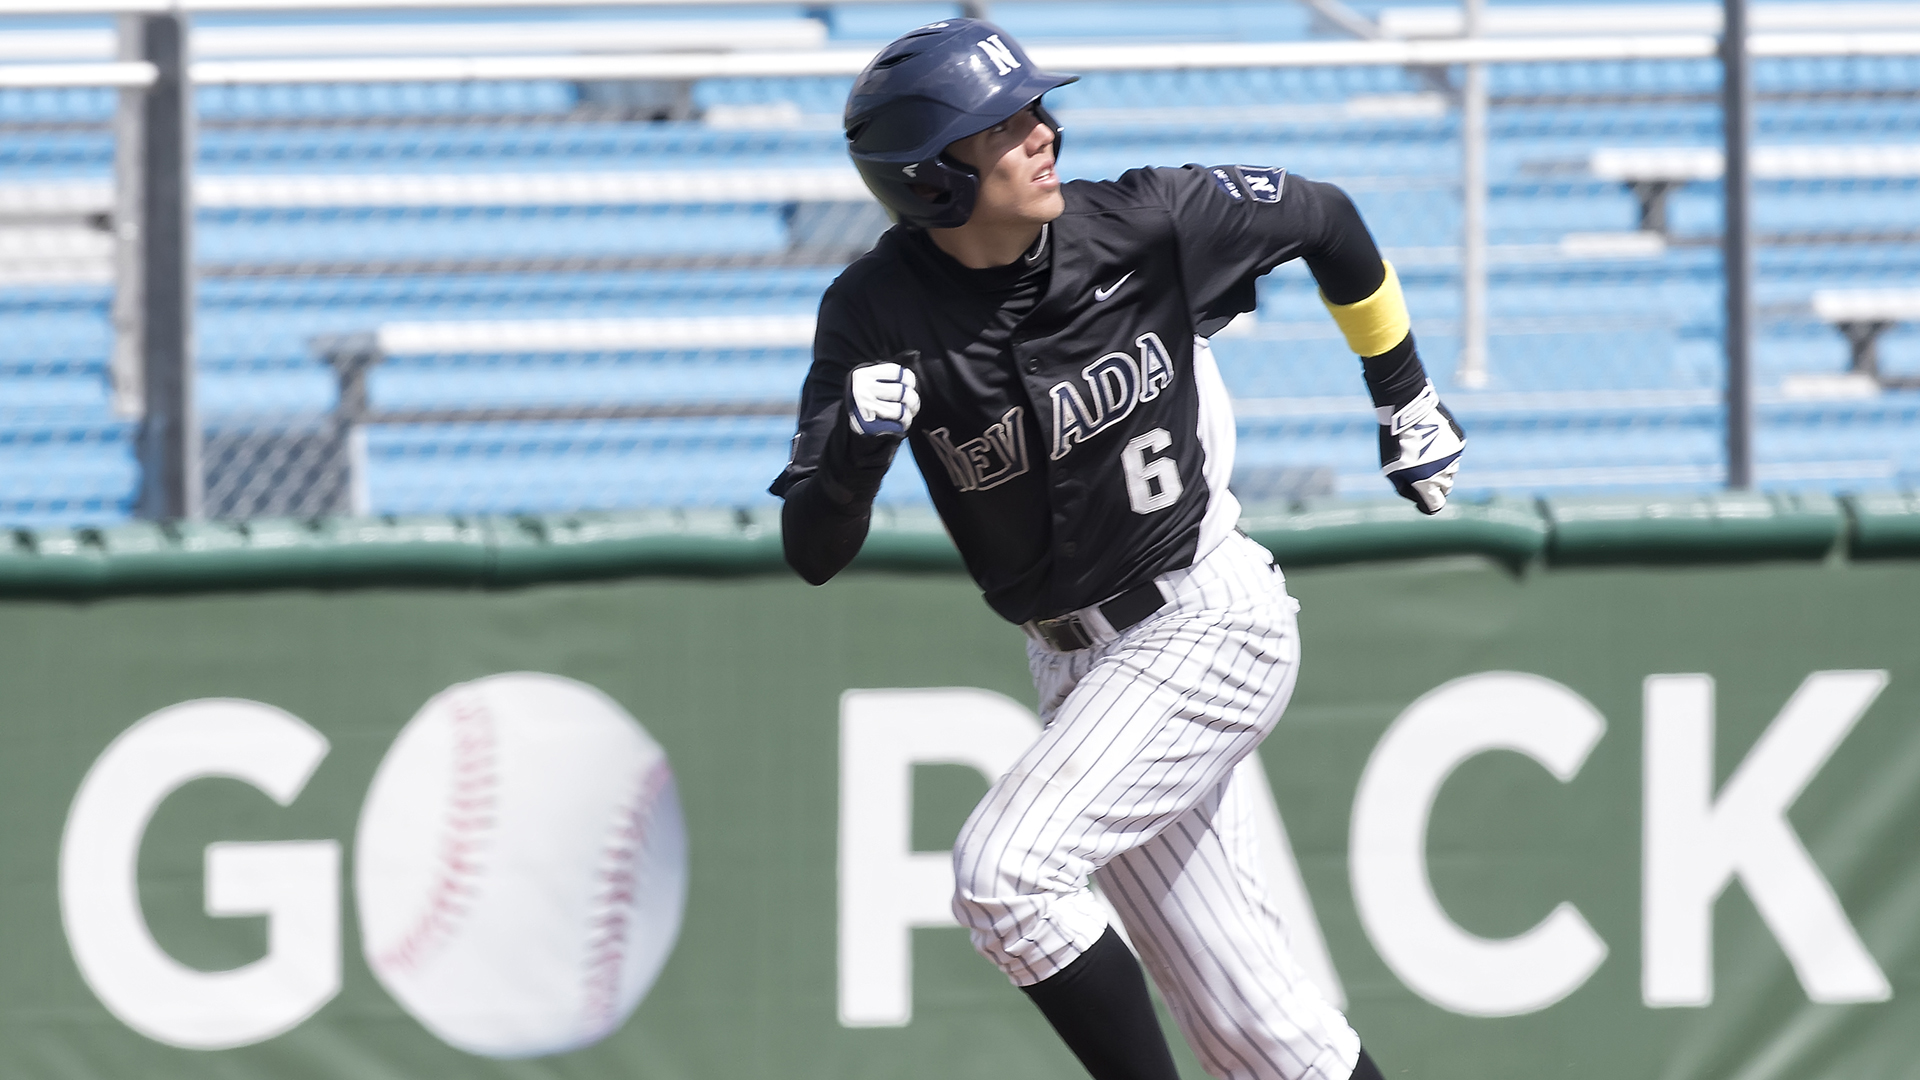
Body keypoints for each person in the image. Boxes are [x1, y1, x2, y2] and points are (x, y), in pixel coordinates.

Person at [771, 19, 1464, 1080]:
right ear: (932, 180)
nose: (1043, 131)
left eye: (1035, 109)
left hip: (1205, 615)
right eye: (1003, 125)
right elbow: (812, 548)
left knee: (1007, 875)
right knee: (1260, 1031)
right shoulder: (874, 313)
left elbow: (1327, 219)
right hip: (1078, 665)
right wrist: (858, 453)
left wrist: (1403, 392)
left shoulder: (1145, 220)